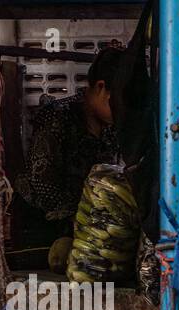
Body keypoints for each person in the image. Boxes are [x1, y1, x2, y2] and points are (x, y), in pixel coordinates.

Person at [15, 46, 124, 244]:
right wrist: (78, 220)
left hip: (88, 230)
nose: (123, 112)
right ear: (101, 88)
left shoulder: (112, 128)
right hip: (42, 228)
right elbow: (43, 182)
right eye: (119, 102)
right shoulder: (57, 116)